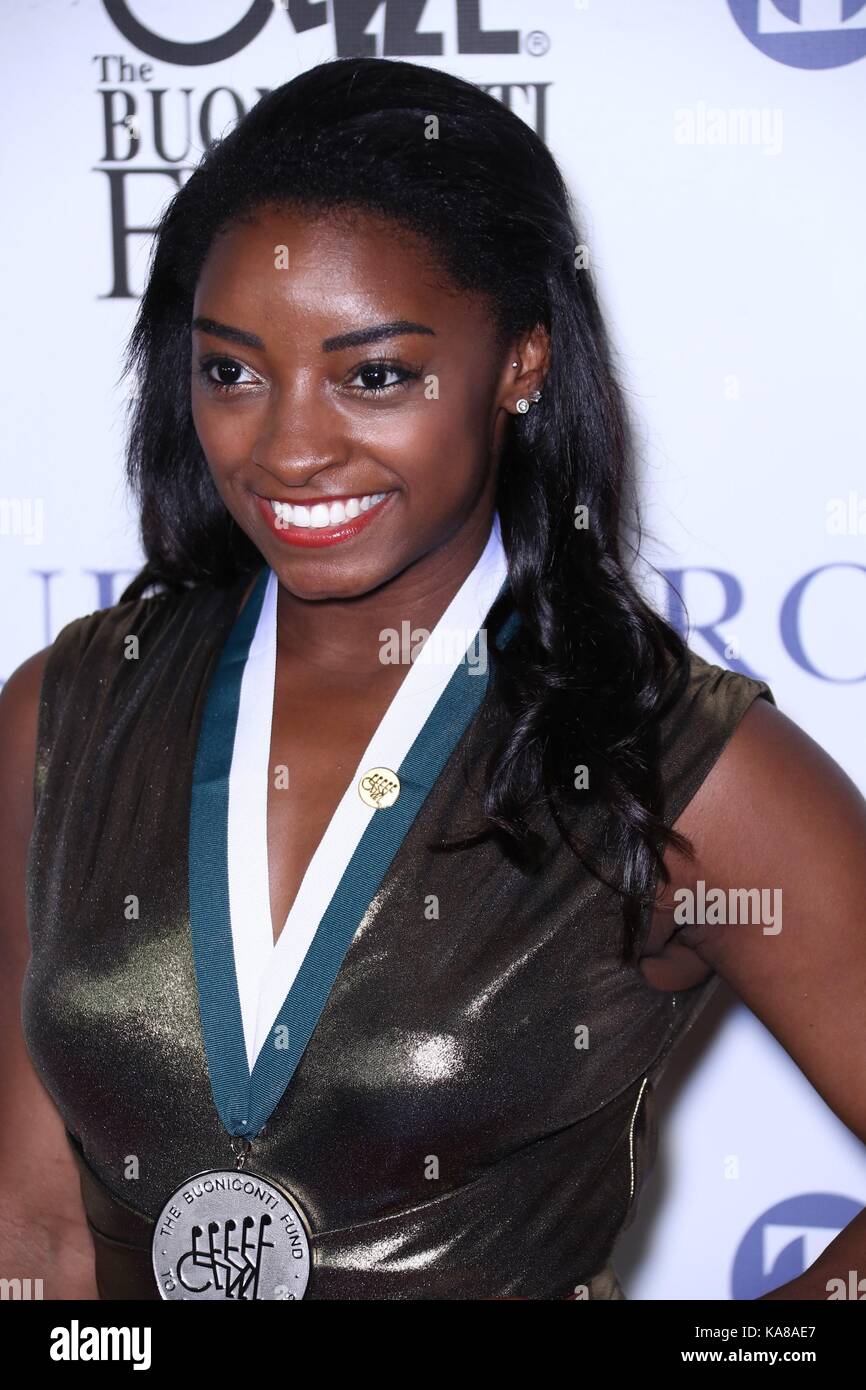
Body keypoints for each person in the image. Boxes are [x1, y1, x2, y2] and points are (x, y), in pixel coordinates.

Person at [2, 55, 865, 1303]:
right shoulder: (65, 714)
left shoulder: (669, 762)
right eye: (232, 371)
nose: (289, 448)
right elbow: (36, 1233)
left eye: (374, 374)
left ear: (520, 363)